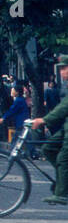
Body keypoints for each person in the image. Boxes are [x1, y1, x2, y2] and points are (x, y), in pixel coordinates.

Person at [28, 55, 68, 205]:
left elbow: (64, 107)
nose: (62, 72)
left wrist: (45, 120)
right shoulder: (65, 85)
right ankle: (62, 182)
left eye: (65, 68)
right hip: (65, 127)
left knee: (63, 159)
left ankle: (62, 193)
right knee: (48, 148)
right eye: (61, 69)